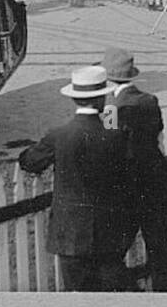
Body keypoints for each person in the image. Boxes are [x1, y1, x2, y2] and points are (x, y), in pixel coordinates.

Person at [18, 66, 136, 291]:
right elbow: (126, 179)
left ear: (74, 98)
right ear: (101, 99)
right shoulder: (115, 137)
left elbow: (29, 161)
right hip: (108, 231)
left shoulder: (60, 135)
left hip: (70, 233)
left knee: (80, 295)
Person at [103, 48, 167, 291]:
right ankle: (164, 295)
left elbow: (110, 143)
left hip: (129, 188)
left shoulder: (113, 109)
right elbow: (156, 132)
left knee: (113, 251)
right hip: (156, 182)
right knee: (159, 248)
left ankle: (131, 293)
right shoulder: (149, 101)